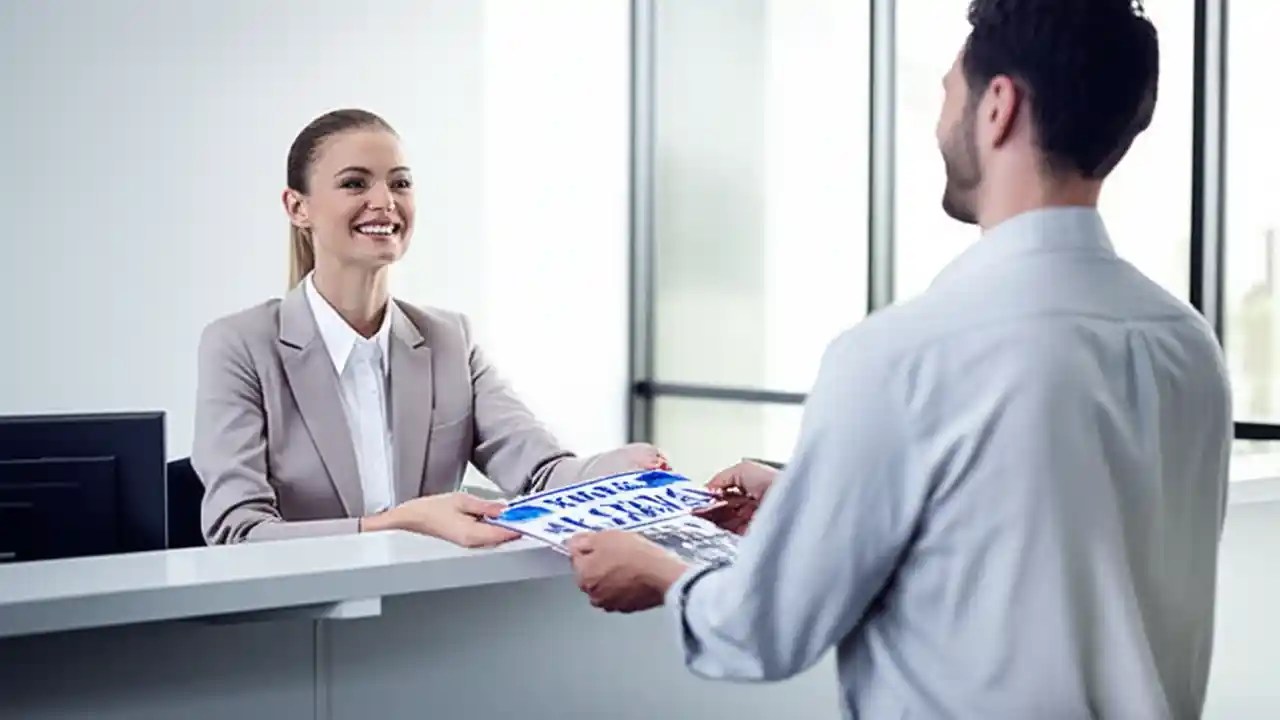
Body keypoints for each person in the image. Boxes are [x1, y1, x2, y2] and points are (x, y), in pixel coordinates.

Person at [567, 1, 1232, 717]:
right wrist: (807, 502)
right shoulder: (1186, 345)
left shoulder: (904, 357)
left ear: (998, 106)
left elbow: (761, 633)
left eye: (948, 93)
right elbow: (1031, 537)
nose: (940, 123)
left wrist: (660, 574)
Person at [193, 108, 666, 547]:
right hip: (299, 623)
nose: (384, 202)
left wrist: (615, 469)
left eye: (400, 184)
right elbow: (239, 532)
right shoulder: (240, 346)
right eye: (355, 184)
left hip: (424, 612)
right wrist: (395, 524)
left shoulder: (449, 340)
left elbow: (539, 472)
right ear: (298, 208)